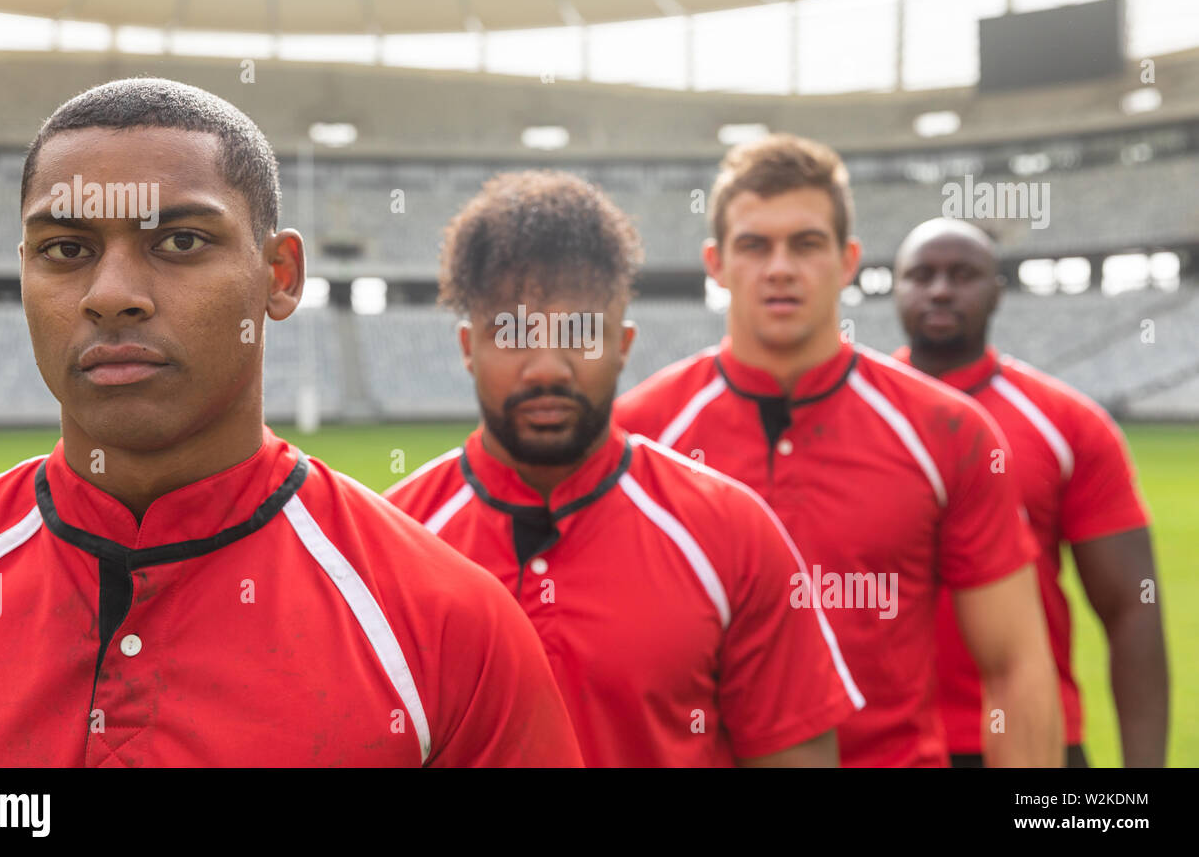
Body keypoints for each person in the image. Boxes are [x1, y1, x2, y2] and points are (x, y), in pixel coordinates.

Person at [0, 78, 583, 767]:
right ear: (23, 274)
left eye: (180, 241)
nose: (111, 296)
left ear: (280, 275)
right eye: (67, 250)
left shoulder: (449, 627)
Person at [613, 135, 1063, 767]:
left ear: (848, 259)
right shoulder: (638, 434)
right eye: (753, 245)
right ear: (715, 263)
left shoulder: (947, 432)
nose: (779, 268)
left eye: (806, 243)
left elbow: (1016, 664)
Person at [386, 170, 862, 767]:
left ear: (624, 344)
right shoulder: (391, 543)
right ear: (466, 348)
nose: (547, 368)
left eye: (580, 332)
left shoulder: (729, 531)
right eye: (511, 332)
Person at [892, 216, 1168, 767]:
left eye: (963, 274)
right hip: (882, 746)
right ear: (894, 288)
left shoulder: (1068, 424)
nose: (941, 289)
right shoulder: (843, 417)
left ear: (997, 290)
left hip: (1036, 740)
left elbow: (1132, 608)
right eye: (921, 275)